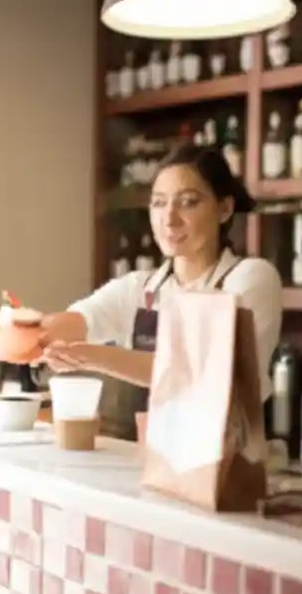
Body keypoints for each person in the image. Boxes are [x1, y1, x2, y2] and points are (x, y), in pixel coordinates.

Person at [40, 143, 283, 433]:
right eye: (158, 203)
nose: (169, 219)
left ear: (224, 209)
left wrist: (91, 356)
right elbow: (75, 323)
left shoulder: (250, 278)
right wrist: (27, 332)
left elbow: (195, 371)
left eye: (188, 202)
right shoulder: (139, 289)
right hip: (153, 458)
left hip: (228, 463)